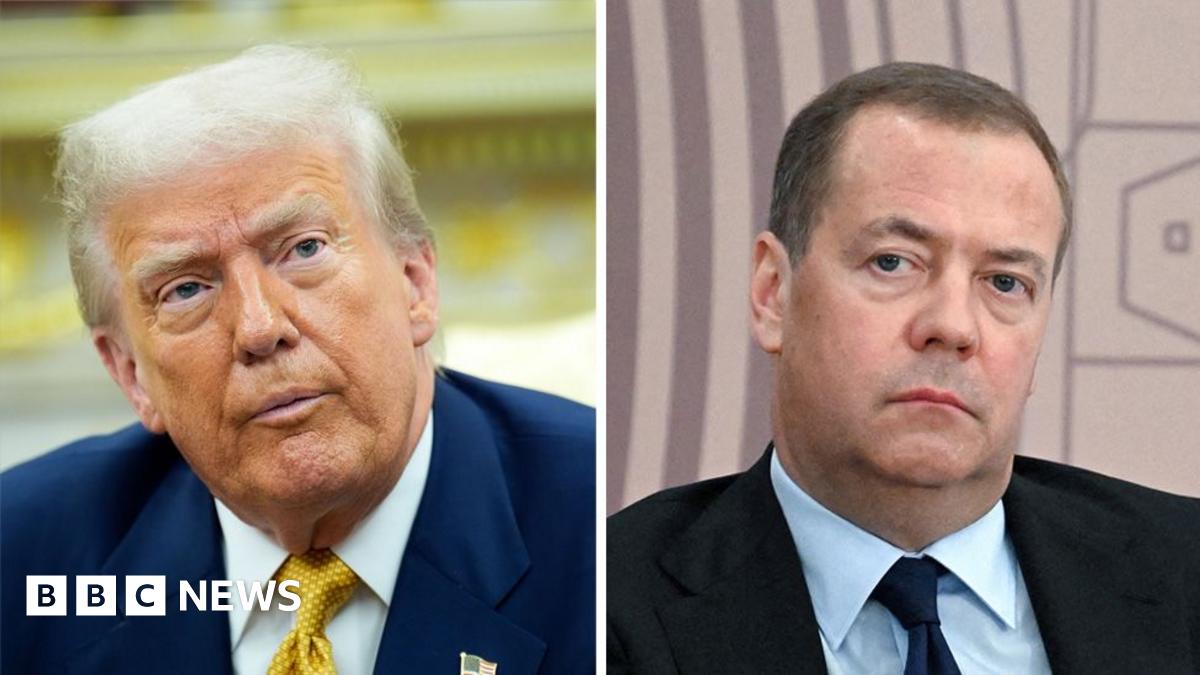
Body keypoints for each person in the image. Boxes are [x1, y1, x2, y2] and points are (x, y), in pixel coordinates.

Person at [1, 45, 594, 675]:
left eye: (304, 249)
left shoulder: (600, 518)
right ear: (130, 373)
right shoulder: (25, 559)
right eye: (187, 289)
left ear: (415, 283)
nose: (260, 328)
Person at [608, 62, 1199, 674]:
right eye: (894, 262)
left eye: (1005, 282)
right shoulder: (611, 605)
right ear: (773, 293)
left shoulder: (1184, 576)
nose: (954, 326)